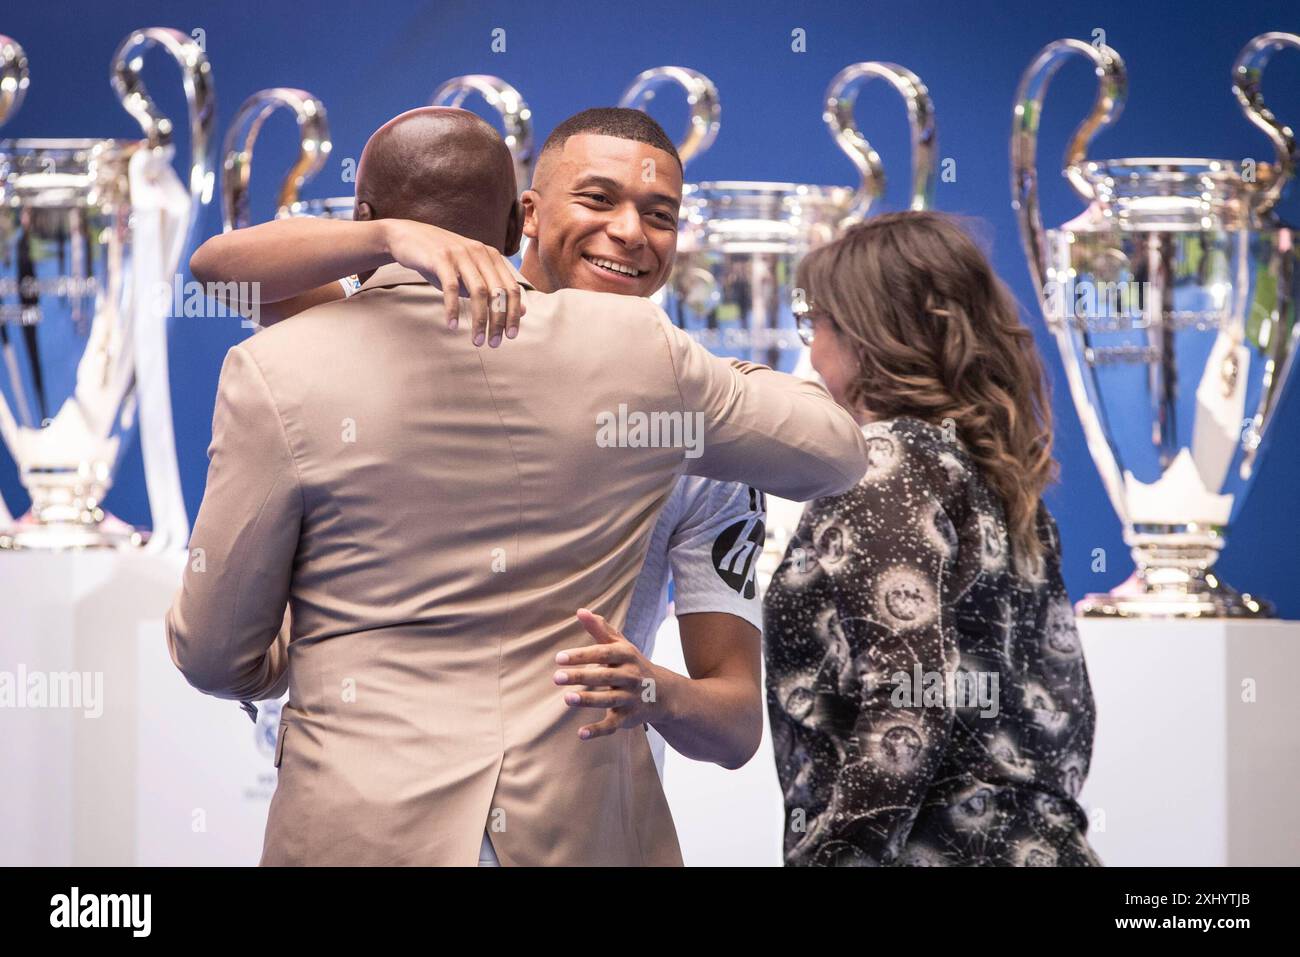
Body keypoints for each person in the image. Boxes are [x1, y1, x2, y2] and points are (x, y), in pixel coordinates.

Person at [167, 106, 869, 866]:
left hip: (364, 822)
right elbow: (835, 451)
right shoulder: (655, 365)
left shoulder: (289, 359)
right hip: (576, 833)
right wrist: (688, 383)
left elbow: (212, 656)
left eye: (658, 213)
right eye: (598, 200)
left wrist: (305, 654)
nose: (629, 232)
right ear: (520, 220)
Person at [764, 211, 1100, 867]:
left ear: (867, 336)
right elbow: (1068, 719)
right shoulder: (1002, 482)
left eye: (819, 324)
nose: (810, 352)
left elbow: (906, 703)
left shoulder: (883, 467)